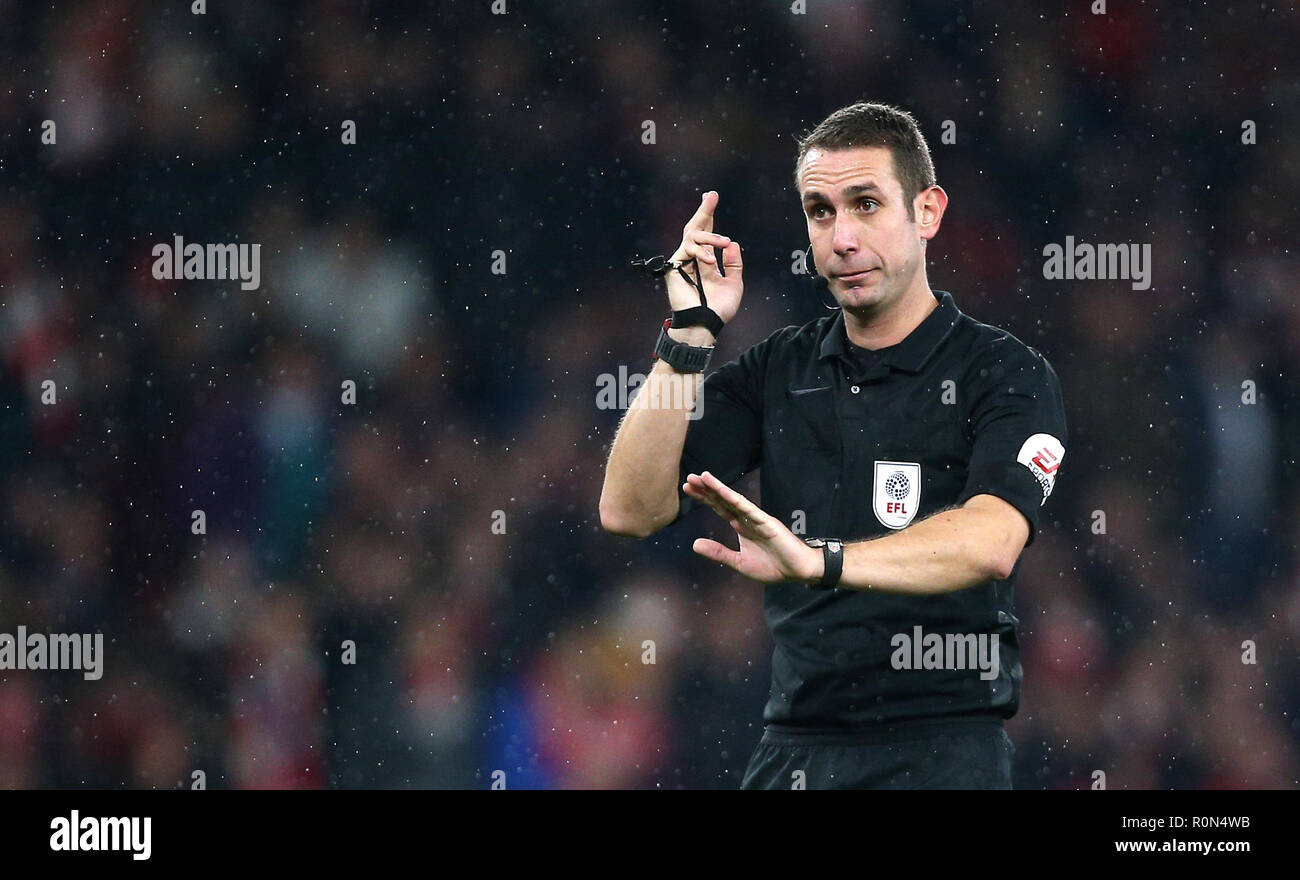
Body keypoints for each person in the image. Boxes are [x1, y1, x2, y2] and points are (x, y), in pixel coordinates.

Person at [599, 101, 1067, 789]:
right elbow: (628, 508)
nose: (842, 236)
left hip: (941, 753)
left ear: (928, 212)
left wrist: (820, 560)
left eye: (867, 204)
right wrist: (689, 335)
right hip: (794, 751)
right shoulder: (778, 372)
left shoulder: (1004, 372)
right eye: (821, 211)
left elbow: (991, 540)